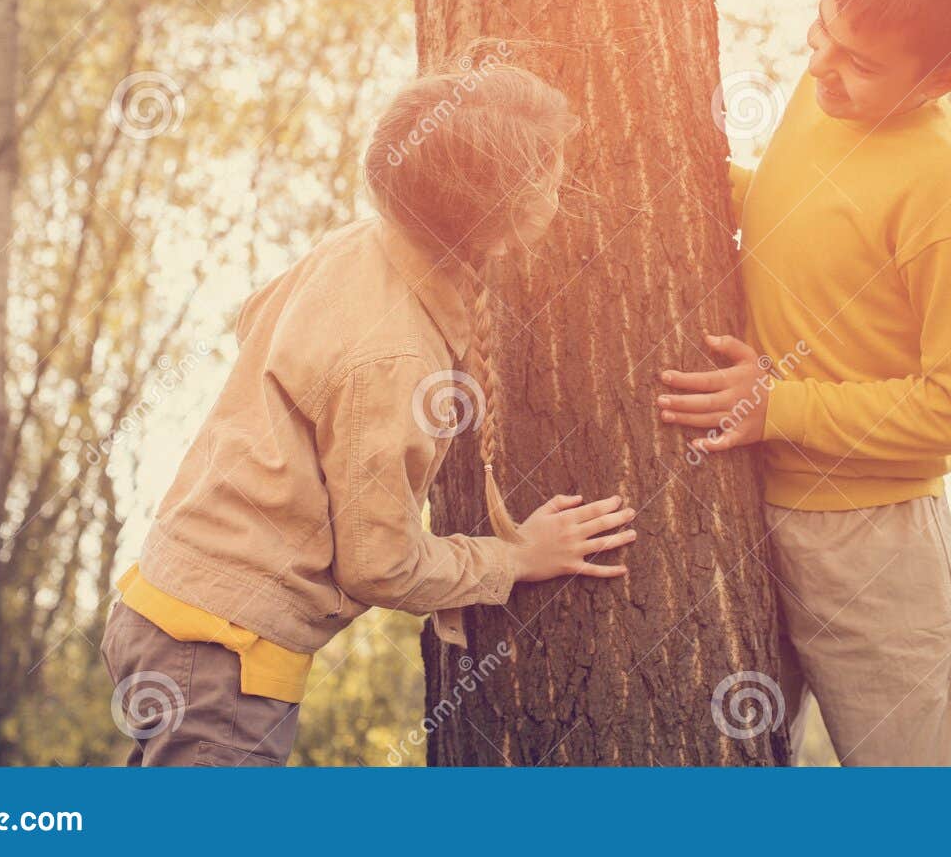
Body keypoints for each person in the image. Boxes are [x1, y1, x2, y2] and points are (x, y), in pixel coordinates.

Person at [102, 56, 637, 765]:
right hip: (221, 657)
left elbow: (256, 320)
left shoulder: (356, 244)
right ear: (506, 218)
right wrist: (515, 557)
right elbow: (378, 565)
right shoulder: (396, 362)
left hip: (159, 604)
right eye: (549, 172)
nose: (563, 180)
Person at [659, 0, 951, 765]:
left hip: (874, 550)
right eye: (822, 28)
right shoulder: (822, 95)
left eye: (858, 60)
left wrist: (779, 405)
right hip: (742, 511)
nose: (822, 65)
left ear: (939, 80)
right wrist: (675, 172)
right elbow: (801, 223)